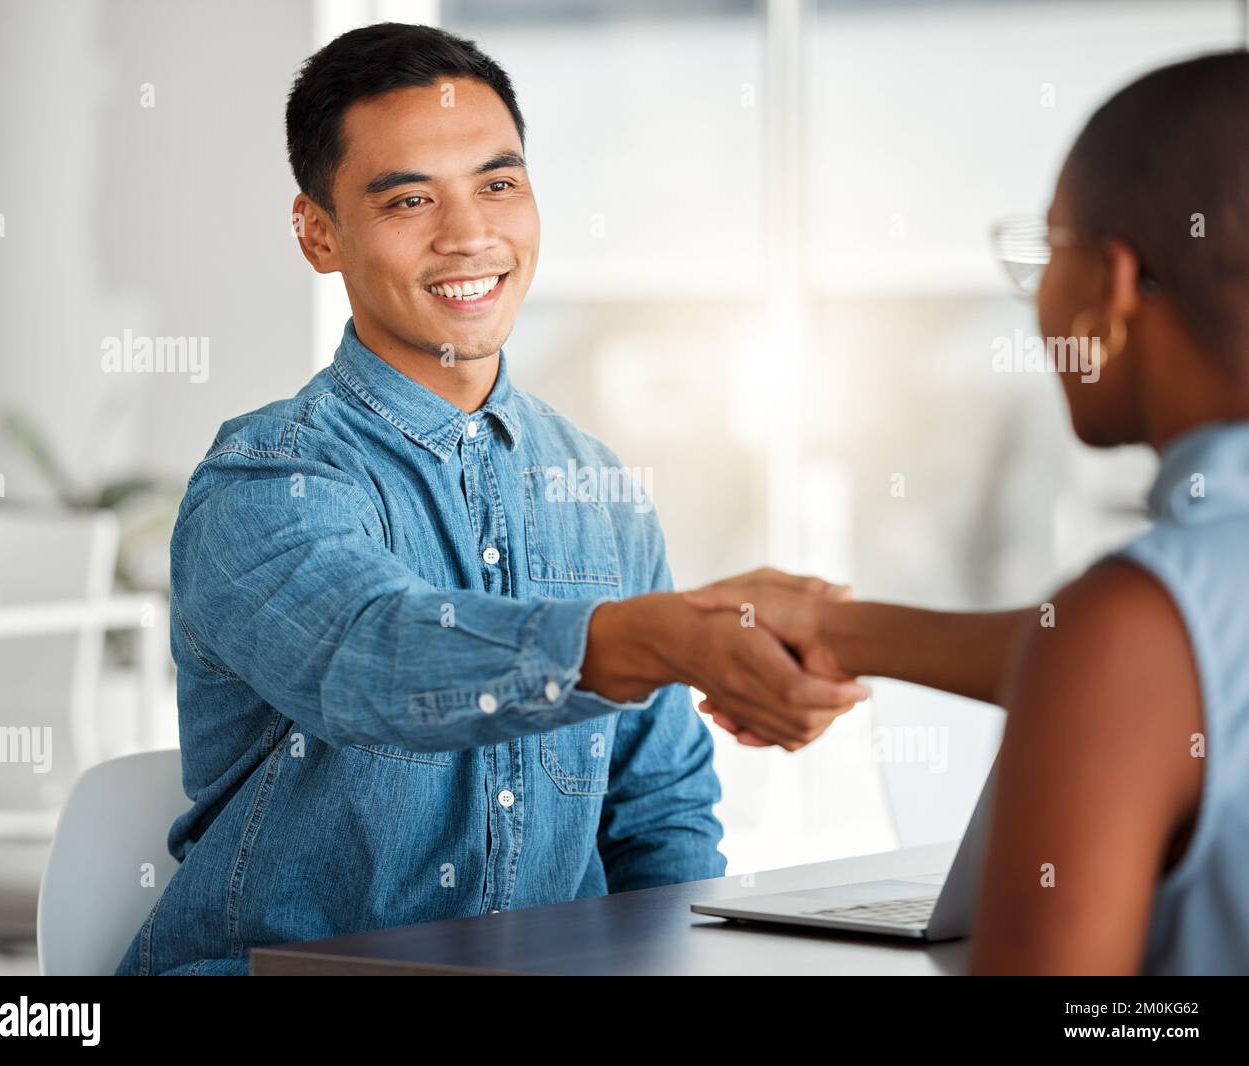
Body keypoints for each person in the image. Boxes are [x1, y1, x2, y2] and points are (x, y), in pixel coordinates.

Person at [114, 23, 865, 975]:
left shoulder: (597, 488)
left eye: (498, 184)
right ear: (318, 234)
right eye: (410, 199)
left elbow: (661, 815)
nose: (470, 234)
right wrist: (653, 639)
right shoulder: (264, 482)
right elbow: (376, 660)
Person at [687, 51, 1249, 975]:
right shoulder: (1155, 626)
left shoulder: (1133, 626)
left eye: (1045, 252)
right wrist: (839, 631)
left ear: (1111, 284)